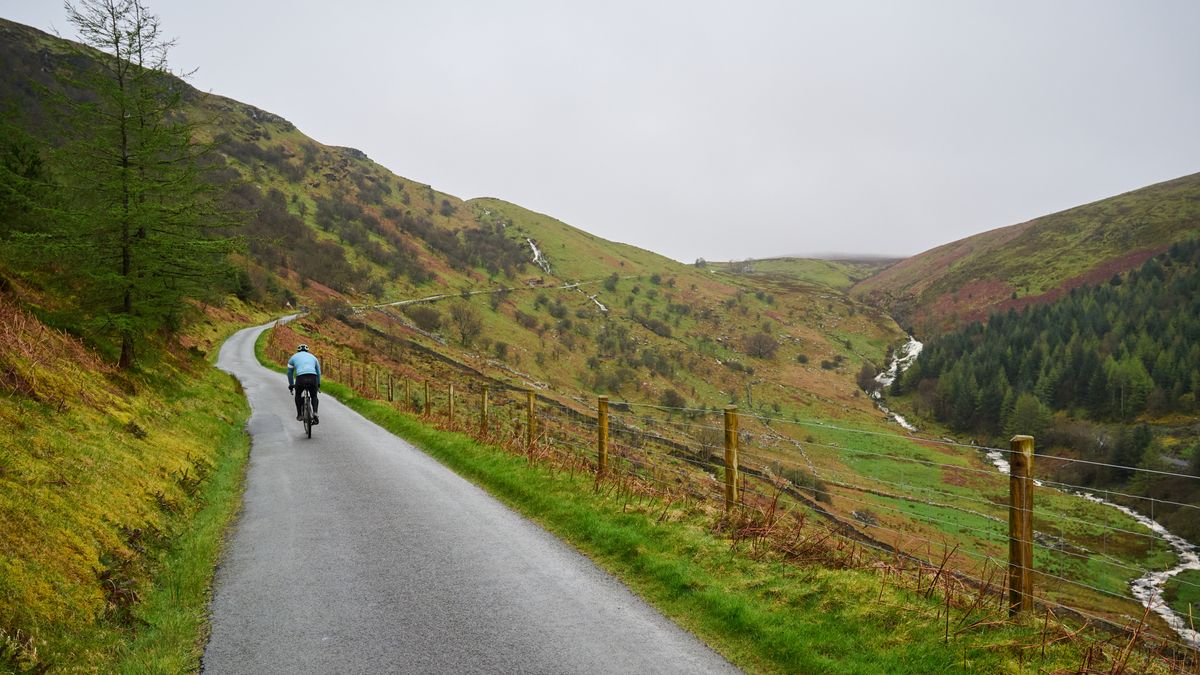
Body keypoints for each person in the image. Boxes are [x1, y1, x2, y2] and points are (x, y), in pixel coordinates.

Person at [287, 343, 322, 424]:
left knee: (298, 395)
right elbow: (319, 373)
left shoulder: (293, 357)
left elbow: (289, 373)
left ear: (298, 351)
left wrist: (291, 385)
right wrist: (318, 384)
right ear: (307, 350)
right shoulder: (314, 357)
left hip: (301, 378)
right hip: (313, 377)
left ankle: (299, 414)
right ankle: (315, 412)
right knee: (314, 396)